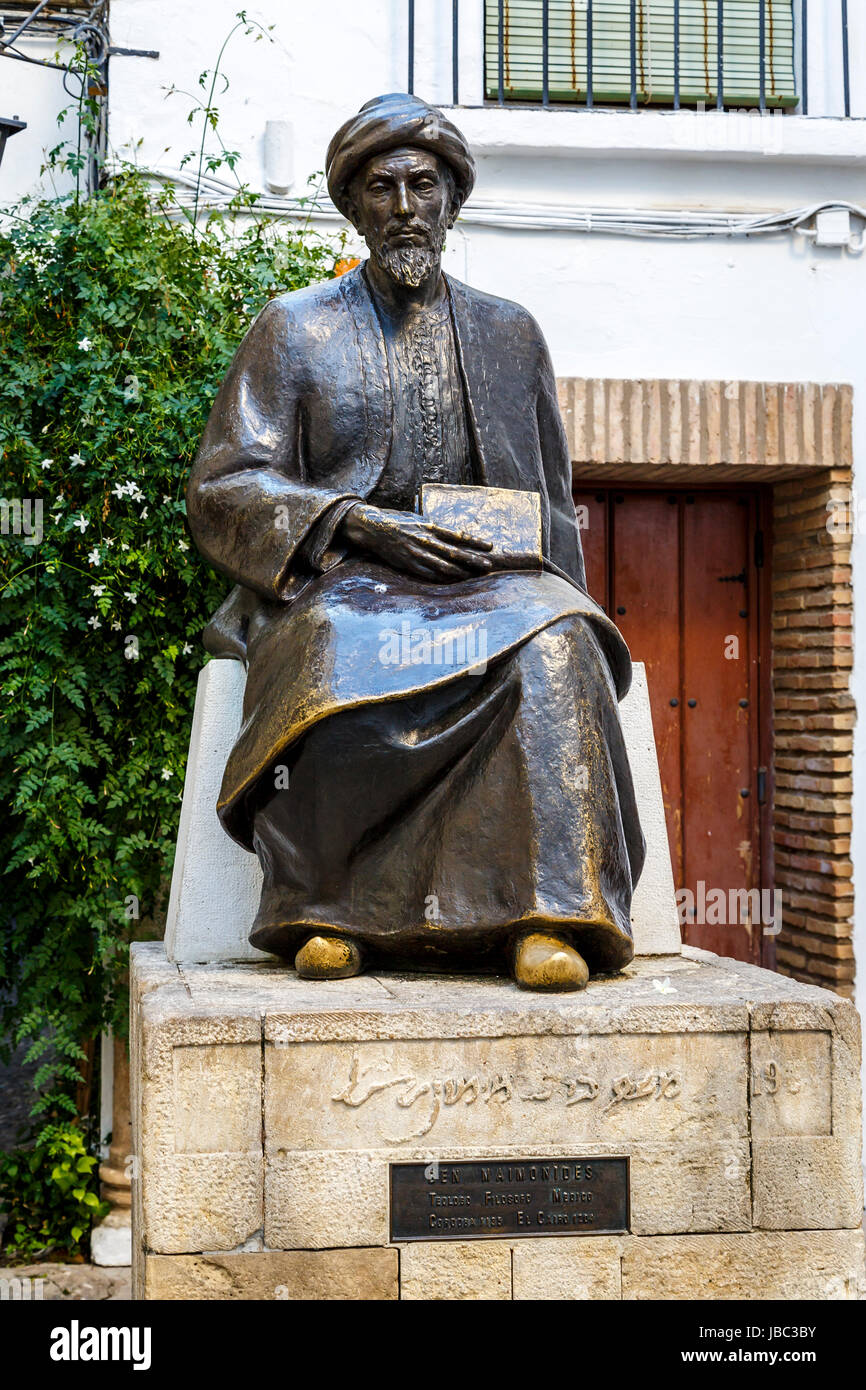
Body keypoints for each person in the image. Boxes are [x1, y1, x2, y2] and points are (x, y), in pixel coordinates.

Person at [187, 93, 644, 991]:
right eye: (383, 188)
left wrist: (566, 600)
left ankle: (549, 915)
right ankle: (324, 911)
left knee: (554, 646)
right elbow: (226, 485)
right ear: (354, 208)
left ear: (451, 202)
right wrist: (355, 522)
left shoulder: (510, 334)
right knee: (330, 649)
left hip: (486, 578)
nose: (404, 205)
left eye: (423, 186)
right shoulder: (294, 327)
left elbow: (552, 502)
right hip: (340, 574)